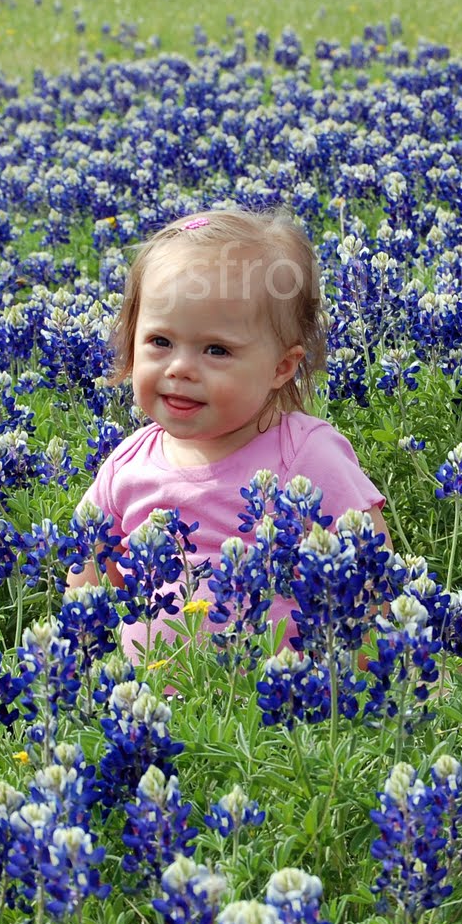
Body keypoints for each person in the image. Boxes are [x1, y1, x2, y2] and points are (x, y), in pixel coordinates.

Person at [68, 208, 388, 663]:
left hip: (285, 710)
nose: (179, 368)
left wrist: (371, 679)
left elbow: (370, 571)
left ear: (282, 367)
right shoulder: (126, 466)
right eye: (160, 341)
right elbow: (89, 576)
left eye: (216, 350)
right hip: (148, 711)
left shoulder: (307, 456)